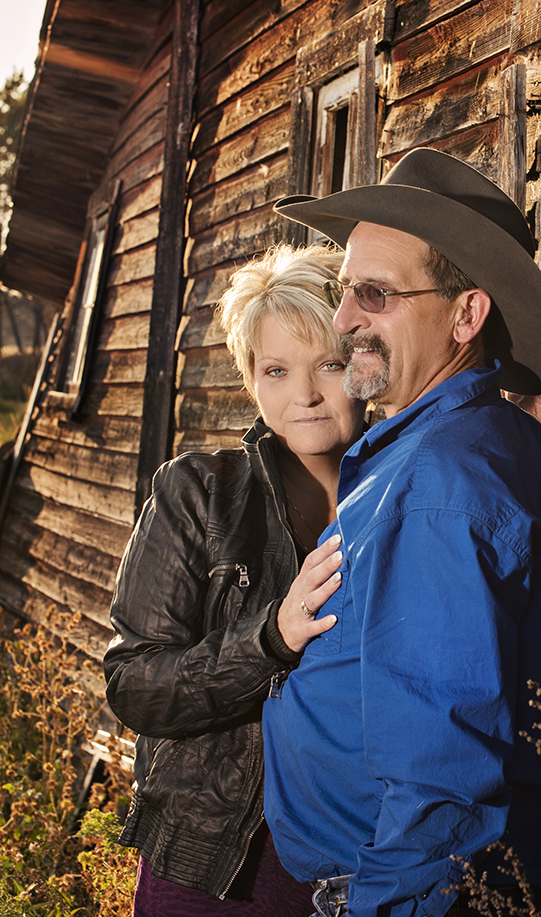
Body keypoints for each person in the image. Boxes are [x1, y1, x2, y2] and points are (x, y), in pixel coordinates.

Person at [263, 147, 541, 917]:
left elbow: (440, 780)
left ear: (466, 316)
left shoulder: (437, 482)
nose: (343, 320)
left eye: (375, 295)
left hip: (390, 891)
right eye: (343, 290)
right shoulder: (520, 452)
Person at [102, 244, 362, 915]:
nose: (304, 394)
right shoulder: (199, 493)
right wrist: (268, 638)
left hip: (362, 857)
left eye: (329, 364)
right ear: (252, 378)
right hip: (221, 861)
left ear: (366, 362)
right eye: (276, 370)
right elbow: (134, 684)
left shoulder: (403, 493)